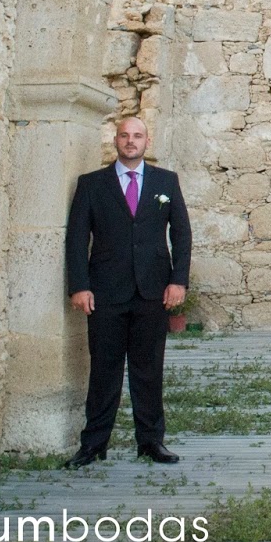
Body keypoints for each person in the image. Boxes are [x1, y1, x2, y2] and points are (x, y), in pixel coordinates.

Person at [62, 117, 191, 468]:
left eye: (137, 136)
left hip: (153, 291)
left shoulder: (167, 181)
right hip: (104, 292)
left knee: (148, 370)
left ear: (147, 142)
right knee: (104, 369)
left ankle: (151, 442)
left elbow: (181, 234)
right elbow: (76, 238)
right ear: (115, 140)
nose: (130, 141)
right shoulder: (92, 184)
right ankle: (93, 444)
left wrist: (178, 281)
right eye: (124, 135)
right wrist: (80, 286)